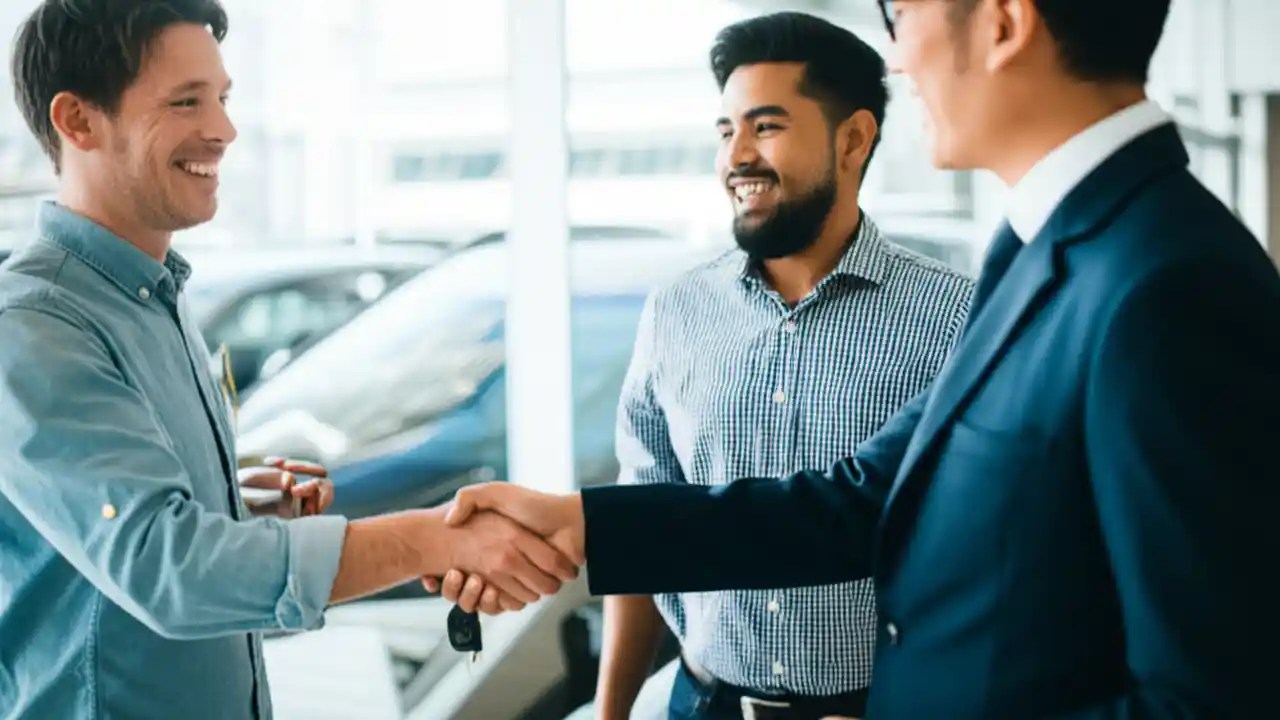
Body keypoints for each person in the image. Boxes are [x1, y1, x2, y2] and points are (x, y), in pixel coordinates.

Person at [439, 1, 1280, 717]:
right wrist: (586, 524)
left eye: (902, 14)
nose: (903, 57)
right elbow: (862, 500)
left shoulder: (1168, 282)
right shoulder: (1040, 250)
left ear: (1003, 22)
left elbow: (1212, 696)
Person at [0, 3, 573, 719]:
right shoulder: (33, 327)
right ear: (78, 121)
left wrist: (229, 511)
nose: (224, 130)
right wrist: (430, 540)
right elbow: (170, 570)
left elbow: (121, 548)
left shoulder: (158, 297)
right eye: (186, 102)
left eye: (222, 97)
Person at [576, 12, 973, 720]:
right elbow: (646, 531)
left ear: (853, 139)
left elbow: (978, 554)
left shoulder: (954, 320)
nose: (737, 157)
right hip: (702, 705)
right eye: (726, 131)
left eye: (766, 126)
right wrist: (610, 713)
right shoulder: (675, 313)